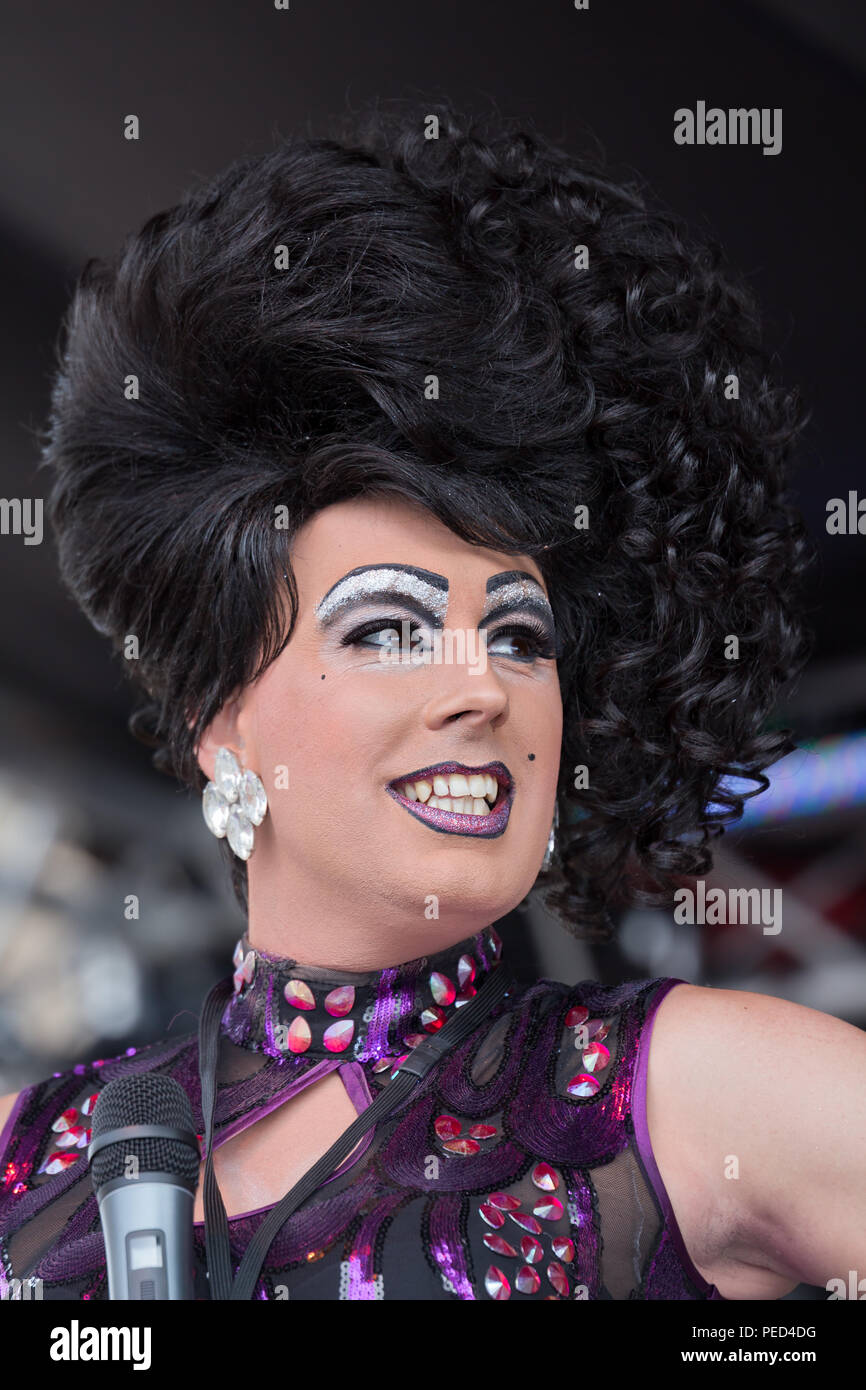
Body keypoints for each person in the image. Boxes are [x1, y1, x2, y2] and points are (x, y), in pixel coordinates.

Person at [0, 99, 863, 1302]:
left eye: (519, 634)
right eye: (389, 628)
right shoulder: (28, 1157)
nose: (481, 686)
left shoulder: (700, 1095)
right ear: (222, 720)